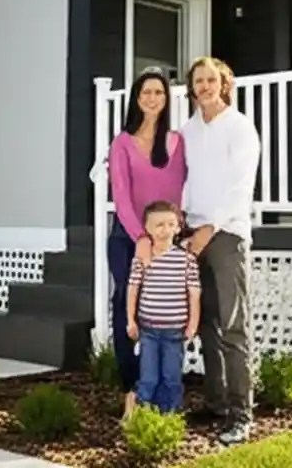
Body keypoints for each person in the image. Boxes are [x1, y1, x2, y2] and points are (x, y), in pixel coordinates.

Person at [178, 56, 261, 446]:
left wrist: (209, 228)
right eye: (199, 80)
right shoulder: (187, 131)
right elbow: (185, 181)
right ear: (192, 87)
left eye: (212, 80)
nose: (205, 86)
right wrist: (182, 224)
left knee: (232, 326)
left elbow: (240, 187)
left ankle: (241, 415)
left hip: (226, 234)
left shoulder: (240, 128)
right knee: (206, 323)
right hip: (193, 233)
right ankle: (215, 403)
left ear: (224, 84)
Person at [107, 67, 187, 419]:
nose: (152, 98)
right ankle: (131, 395)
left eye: (158, 92)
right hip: (128, 238)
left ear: (166, 99)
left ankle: (160, 396)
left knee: (164, 313)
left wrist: (171, 234)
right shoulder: (122, 142)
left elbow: (182, 191)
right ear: (136, 99)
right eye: (145, 93)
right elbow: (121, 196)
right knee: (128, 308)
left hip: (167, 240)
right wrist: (140, 237)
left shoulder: (176, 142)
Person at [126, 200, 201, 414]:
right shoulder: (143, 259)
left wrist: (192, 325)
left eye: (170, 224)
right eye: (158, 225)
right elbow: (133, 288)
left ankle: (170, 418)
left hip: (175, 331)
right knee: (148, 377)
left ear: (178, 227)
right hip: (148, 329)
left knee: (172, 377)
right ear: (147, 229)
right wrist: (131, 320)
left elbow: (194, 294)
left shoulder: (186, 260)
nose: (165, 230)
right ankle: (143, 417)